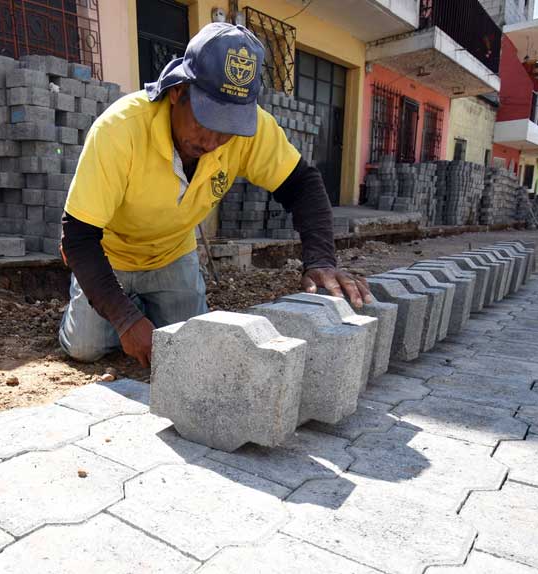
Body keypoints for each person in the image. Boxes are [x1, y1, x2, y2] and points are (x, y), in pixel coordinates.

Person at [58, 22, 372, 367]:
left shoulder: (251, 131)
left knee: (192, 344)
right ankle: (97, 301)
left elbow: (303, 185)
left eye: (226, 130)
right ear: (178, 91)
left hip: (171, 255)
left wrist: (321, 261)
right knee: (85, 349)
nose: (211, 142)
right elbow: (77, 236)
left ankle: (142, 302)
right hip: (110, 255)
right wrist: (125, 319)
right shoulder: (120, 129)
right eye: (204, 122)